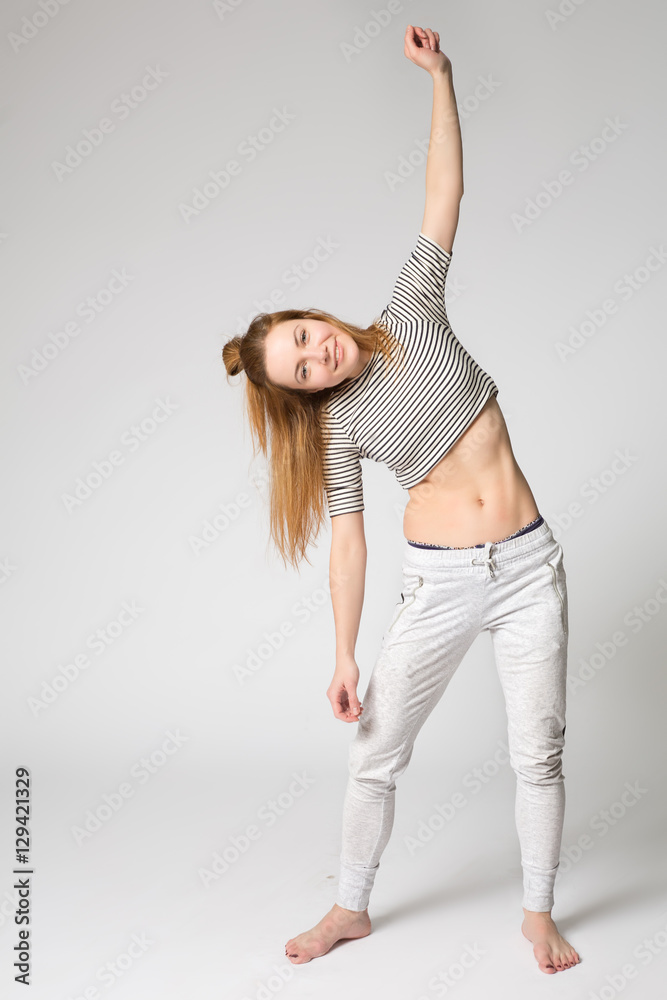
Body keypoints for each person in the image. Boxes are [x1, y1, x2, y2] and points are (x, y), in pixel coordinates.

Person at [222, 24, 581, 975]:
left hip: (529, 566)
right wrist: (341, 652)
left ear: (317, 316)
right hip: (442, 583)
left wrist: (442, 80)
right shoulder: (338, 432)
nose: (314, 353)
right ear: (300, 391)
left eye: (305, 334)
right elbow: (349, 546)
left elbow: (442, 194)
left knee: (536, 753)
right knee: (373, 752)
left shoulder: (407, 314)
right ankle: (349, 908)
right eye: (298, 366)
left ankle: (537, 913)